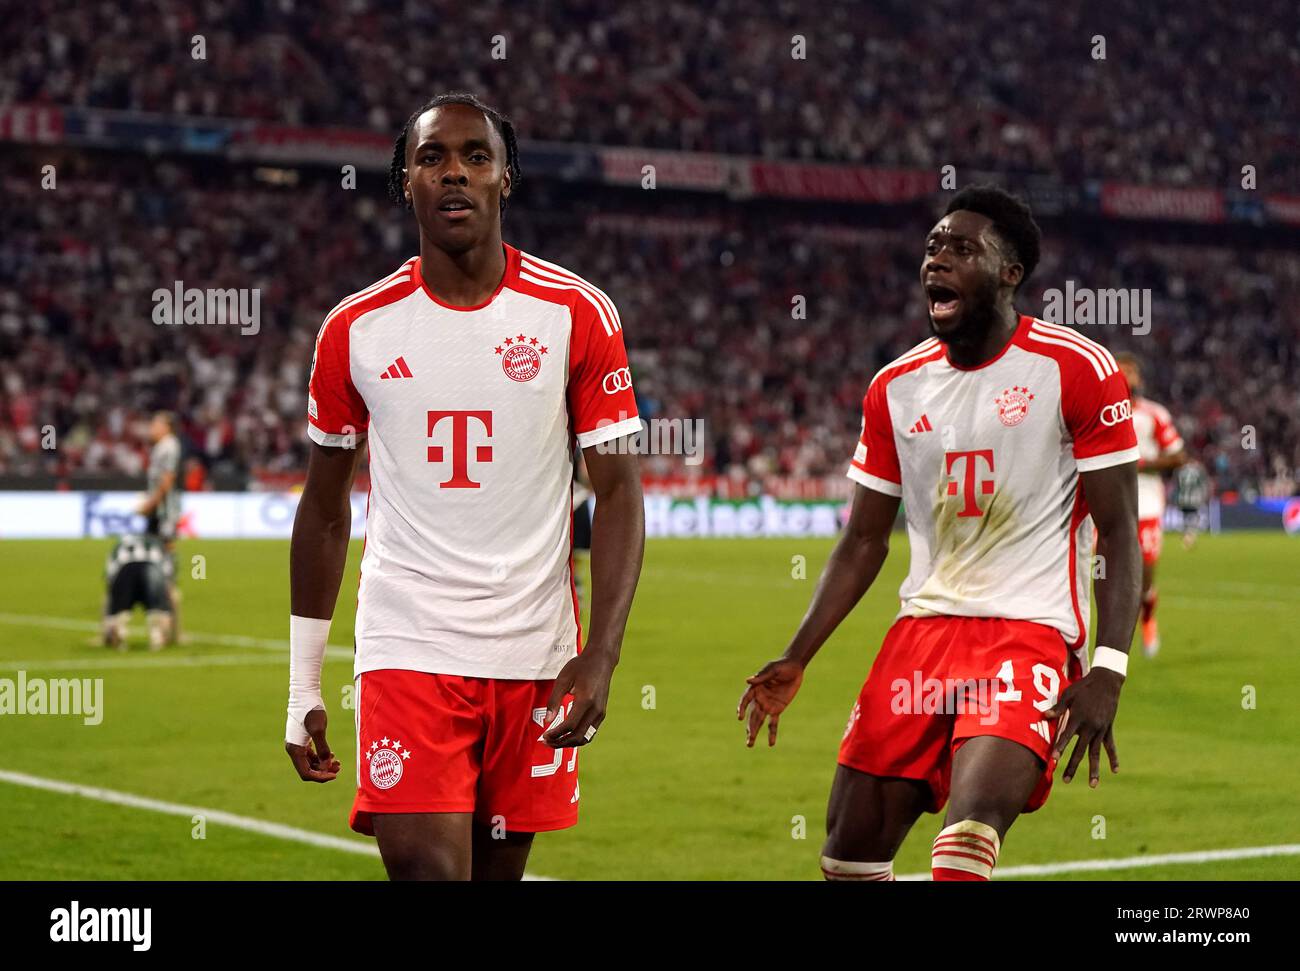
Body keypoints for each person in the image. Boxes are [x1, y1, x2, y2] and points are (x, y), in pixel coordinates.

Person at [284, 93, 645, 881]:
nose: (454, 173)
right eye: (431, 157)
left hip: (535, 651)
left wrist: (603, 654)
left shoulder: (577, 313)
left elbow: (617, 492)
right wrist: (301, 682)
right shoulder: (356, 329)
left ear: (506, 179)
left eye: (475, 157)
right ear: (403, 182)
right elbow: (321, 509)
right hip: (407, 644)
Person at [739, 186, 1141, 882]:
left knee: (967, 837)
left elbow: (1119, 530)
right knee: (847, 855)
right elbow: (863, 540)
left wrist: (1108, 666)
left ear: (1010, 272)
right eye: (932, 247)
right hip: (922, 635)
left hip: (1028, 632)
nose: (938, 260)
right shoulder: (895, 385)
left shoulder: (1076, 368)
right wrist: (798, 653)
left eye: (961, 248)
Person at [1115, 353, 1186, 657]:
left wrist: (1142, 465)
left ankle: (1147, 616)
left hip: (1146, 501)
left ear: (1139, 379)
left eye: (1131, 371)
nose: (1127, 377)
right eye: (1121, 371)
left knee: (1145, 572)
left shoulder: (1153, 414)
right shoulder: (1097, 410)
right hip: (1107, 499)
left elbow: (1179, 456)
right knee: (1099, 572)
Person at [137, 411, 182, 645]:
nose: (151, 427)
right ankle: (169, 628)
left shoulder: (168, 447)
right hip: (159, 513)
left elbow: (166, 480)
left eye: (155, 422)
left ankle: (172, 628)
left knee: (164, 566)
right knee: (158, 563)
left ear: (167, 426)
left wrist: (149, 504)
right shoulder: (161, 447)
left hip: (163, 514)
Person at [102, 533, 174, 651]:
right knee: (157, 611)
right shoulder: (159, 546)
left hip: (123, 570)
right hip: (153, 568)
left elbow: (109, 589)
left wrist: (104, 634)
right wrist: (176, 634)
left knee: (120, 612)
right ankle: (157, 635)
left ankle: (120, 628)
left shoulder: (118, 546)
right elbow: (170, 589)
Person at [1174, 457, 1211, 549]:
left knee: (1185, 517)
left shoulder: (1180, 471)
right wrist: (1204, 496)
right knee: (1194, 517)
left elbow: (1177, 485)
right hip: (1194, 499)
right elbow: (1202, 484)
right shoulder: (1198, 471)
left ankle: (1186, 533)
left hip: (1182, 498)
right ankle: (1190, 535)